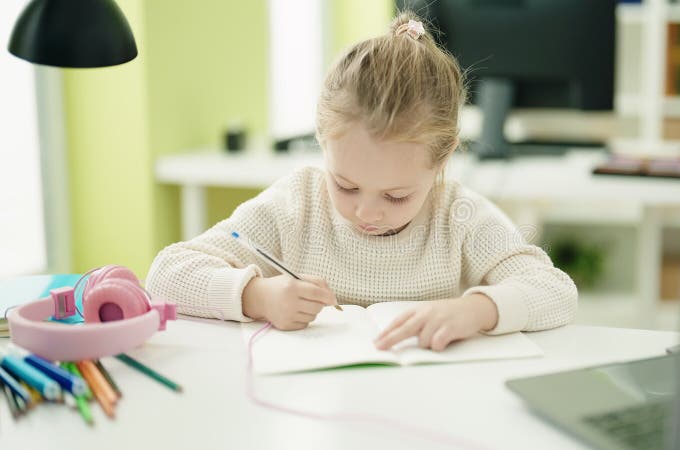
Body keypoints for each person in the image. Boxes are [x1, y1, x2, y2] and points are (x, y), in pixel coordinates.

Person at [145, 12, 577, 352]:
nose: (367, 212)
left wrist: (477, 310)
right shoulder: (297, 203)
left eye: (396, 195)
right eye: (346, 186)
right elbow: (166, 275)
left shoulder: (458, 216)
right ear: (322, 142)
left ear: (442, 161)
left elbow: (555, 290)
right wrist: (256, 296)